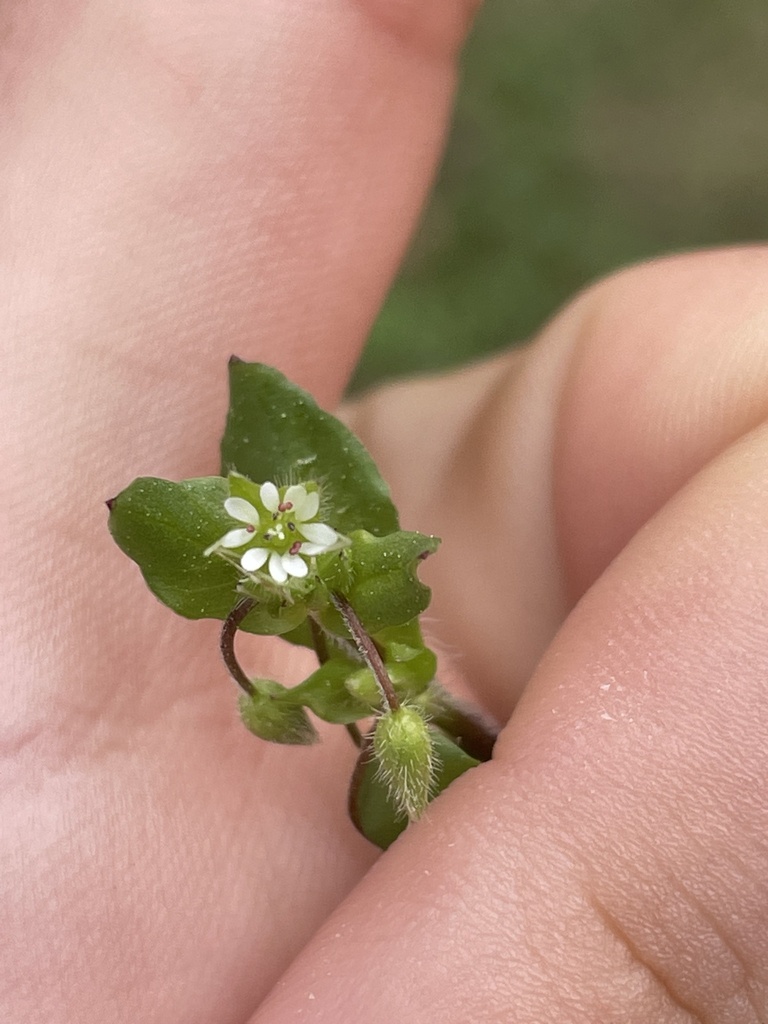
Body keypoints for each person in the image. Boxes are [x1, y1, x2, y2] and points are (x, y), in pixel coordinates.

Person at [2, 3, 766, 1021]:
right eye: (270, 532)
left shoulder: (340, 577)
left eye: (280, 527)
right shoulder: (295, 588)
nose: (275, 534)